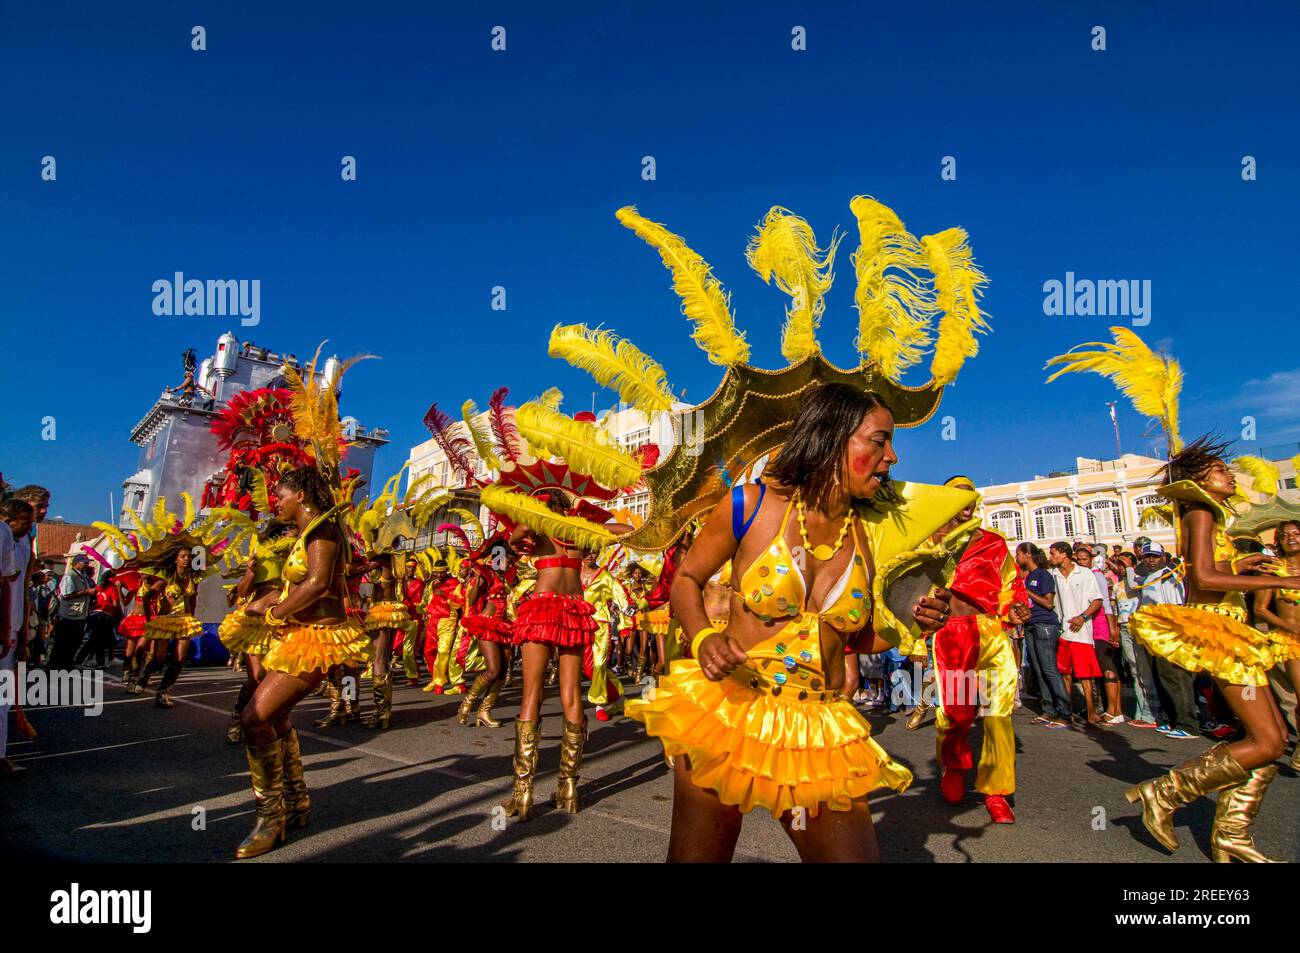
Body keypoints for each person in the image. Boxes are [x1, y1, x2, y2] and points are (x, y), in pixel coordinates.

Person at [625, 384, 965, 861]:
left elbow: (861, 638)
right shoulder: (750, 505)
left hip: (819, 726)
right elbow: (687, 578)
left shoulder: (872, 533)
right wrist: (702, 637)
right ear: (832, 439)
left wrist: (914, 623)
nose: (893, 457)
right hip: (730, 710)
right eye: (879, 440)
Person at [1047, 328, 1300, 861]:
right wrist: (1281, 580)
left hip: (1230, 631)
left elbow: (1208, 565)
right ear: (1202, 478)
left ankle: (1230, 833)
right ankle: (1163, 792)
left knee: (1269, 743)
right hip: (1222, 632)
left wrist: (1248, 562)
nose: (1230, 474)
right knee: (1268, 742)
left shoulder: (1202, 510)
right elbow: (1205, 579)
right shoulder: (1201, 508)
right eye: (1221, 469)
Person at [236, 465, 370, 858]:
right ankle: (296, 804)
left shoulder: (323, 531)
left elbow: (318, 583)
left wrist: (276, 613)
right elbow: (297, 583)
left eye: (280, 494)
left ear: (302, 496)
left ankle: (269, 818)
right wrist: (261, 604)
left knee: (254, 719)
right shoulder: (305, 534)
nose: (275, 501)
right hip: (297, 637)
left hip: (317, 641)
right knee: (274, 719)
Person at [925, 476, 1029, 823]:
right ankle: (953, 767)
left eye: (970, 496)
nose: (966, 502)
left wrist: (1014, 609)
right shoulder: (930, 541)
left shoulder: (994, 543)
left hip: (991, 631)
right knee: (958, 712)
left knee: (998, 714)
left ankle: (996, 791)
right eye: (957, 496)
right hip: (952, 634)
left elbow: (1012, 587)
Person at [1251, 519, 1300, 770]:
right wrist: (1291, 627)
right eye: (1285, 535)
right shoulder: (1272, 569)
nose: (1292, 538)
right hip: (1291, 640)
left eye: (1296, 533)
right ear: (1278, 541)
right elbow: (1260, 609)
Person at [1048, 541, 1105, 726]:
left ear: (1064, 554)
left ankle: (1091, 711)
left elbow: (1097, 600)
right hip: (1063, 630)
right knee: (1065, 673)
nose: (1051, 557)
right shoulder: (1053, 575)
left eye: (1053, 553)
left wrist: (1082, 617)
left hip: (1081, 631)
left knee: (1085, 675)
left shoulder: (1085, 573)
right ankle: (1067, 712)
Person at [1016, 542, 1071, 728]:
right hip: (1031, 624)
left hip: (1045, 624)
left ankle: (1064, 712)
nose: (1017, 557)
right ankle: (1049, 710)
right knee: (1038, 669)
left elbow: (1048, 603)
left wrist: (1027, 591)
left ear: (1027, 555)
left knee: (1049, 669)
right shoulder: (1029, 577)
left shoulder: (1042, 575)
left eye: (1019, 554)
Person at [1, 498, 35, 776]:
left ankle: (0, 755)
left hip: (10, 627)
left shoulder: (24, 544)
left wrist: (22, 632)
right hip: (4, 627)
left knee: (2, 698)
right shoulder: (3, 534)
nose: (30, 526)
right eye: (25, 521)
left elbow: (19, 588)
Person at [1075, 543, 1123, 724]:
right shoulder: (1085, 575)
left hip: (1101, 624)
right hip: (1090, 626)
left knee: (1107, 665)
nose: (1082, 562)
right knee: (1103, 667)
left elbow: (1107, 604)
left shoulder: (1097, 577)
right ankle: (1114, 709)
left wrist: (1112, 630)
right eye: (1079, 560)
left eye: (1085, 559)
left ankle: (1114, 710)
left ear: (1092, 559)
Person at [48, 553, 95, 671]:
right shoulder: (70, 576)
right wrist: (86, 592)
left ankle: (66, 666)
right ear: (76, 563)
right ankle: (53, 668)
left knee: (74, 643)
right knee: (62, 644)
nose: (86, 565)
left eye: (87, 562)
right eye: (84, 562)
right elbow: (66, 594)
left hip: (80, 616)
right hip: (69, 616)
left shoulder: (83, 576)